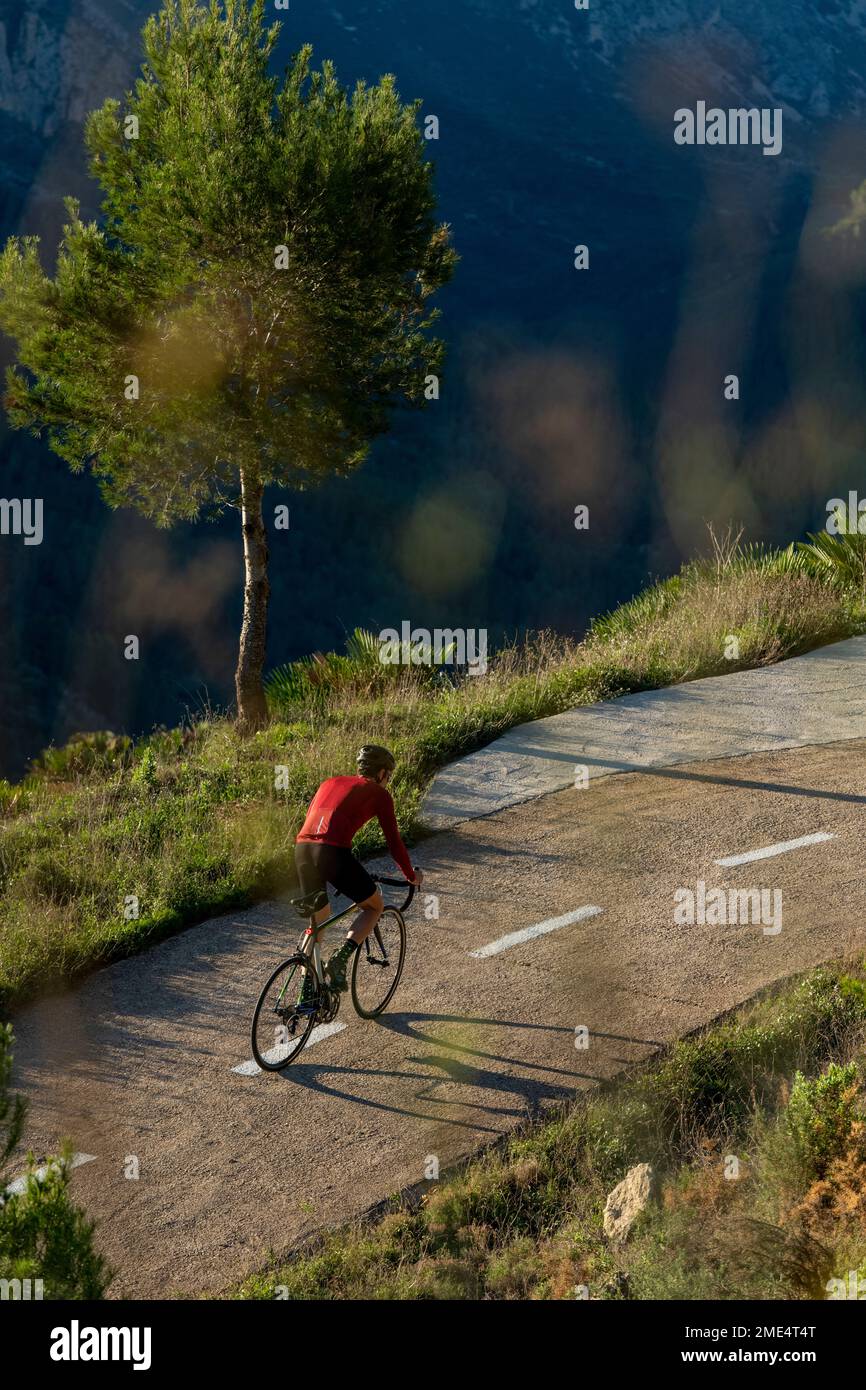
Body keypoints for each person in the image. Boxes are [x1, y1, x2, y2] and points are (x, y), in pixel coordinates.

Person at [294, 745, 423, 995]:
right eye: (390, 776)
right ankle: (339, 960)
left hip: (302, 849)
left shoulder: (328, 782)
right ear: (383, 773)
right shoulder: (379, 795)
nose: (388, 781)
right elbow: (394, 843)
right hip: (332, 852)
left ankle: (305, 991)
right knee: (374, 906)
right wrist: (411, 875)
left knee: (318, 921)